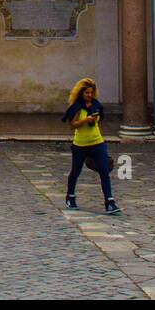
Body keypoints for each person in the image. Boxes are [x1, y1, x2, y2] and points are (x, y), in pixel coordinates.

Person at [62, 76, 121, 215]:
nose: (89, 95)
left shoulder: (97, 105)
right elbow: (72, 125)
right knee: (75, 171)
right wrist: (85, 120)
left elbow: (98, 122)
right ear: (81, 93)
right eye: (87, 93)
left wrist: (93, 120)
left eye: (91, 93)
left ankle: (110, 202)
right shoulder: (76, 107)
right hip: (80, 144)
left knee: (104, 171)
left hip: (97, 142)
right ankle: (70, 197)